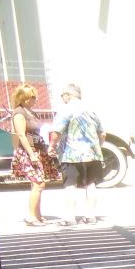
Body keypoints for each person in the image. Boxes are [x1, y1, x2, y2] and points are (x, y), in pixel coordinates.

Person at [49, 84, 105, 227]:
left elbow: (56, 131)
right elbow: (102, 133)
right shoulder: (91, 110)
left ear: (69, 95)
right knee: (91, 184)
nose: (62, 98)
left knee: (70, 185)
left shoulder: (66, 109)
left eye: (63, 95)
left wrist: (52, 146)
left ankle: (69, 218)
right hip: (92, 154)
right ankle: (91, 216)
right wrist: (97, 147)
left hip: (72, 154)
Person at [9, 83, 61, 226]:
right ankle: (31, 216)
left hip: (38, 150)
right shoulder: (19, 113)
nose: (35, 99)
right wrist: (31, 154)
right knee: (39, 183)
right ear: (24, 98)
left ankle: (37, 215)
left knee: (37, 184)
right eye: (32, 97)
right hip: (28, 151)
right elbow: (21, 134)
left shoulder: (31, 112)